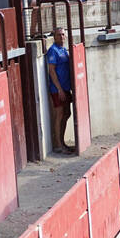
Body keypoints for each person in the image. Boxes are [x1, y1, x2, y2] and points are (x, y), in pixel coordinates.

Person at [45, 27, 75, 155]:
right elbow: (51, 71)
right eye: (58, 35)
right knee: (59, 114)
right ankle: (58, 145)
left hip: (66, 88)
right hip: (58, 89)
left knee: (67, 113)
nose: (61, 37)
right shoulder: (53, 51)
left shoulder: (63, 49)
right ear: (54, 37)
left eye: (63, 34)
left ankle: (62, 142)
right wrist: (59, 89)